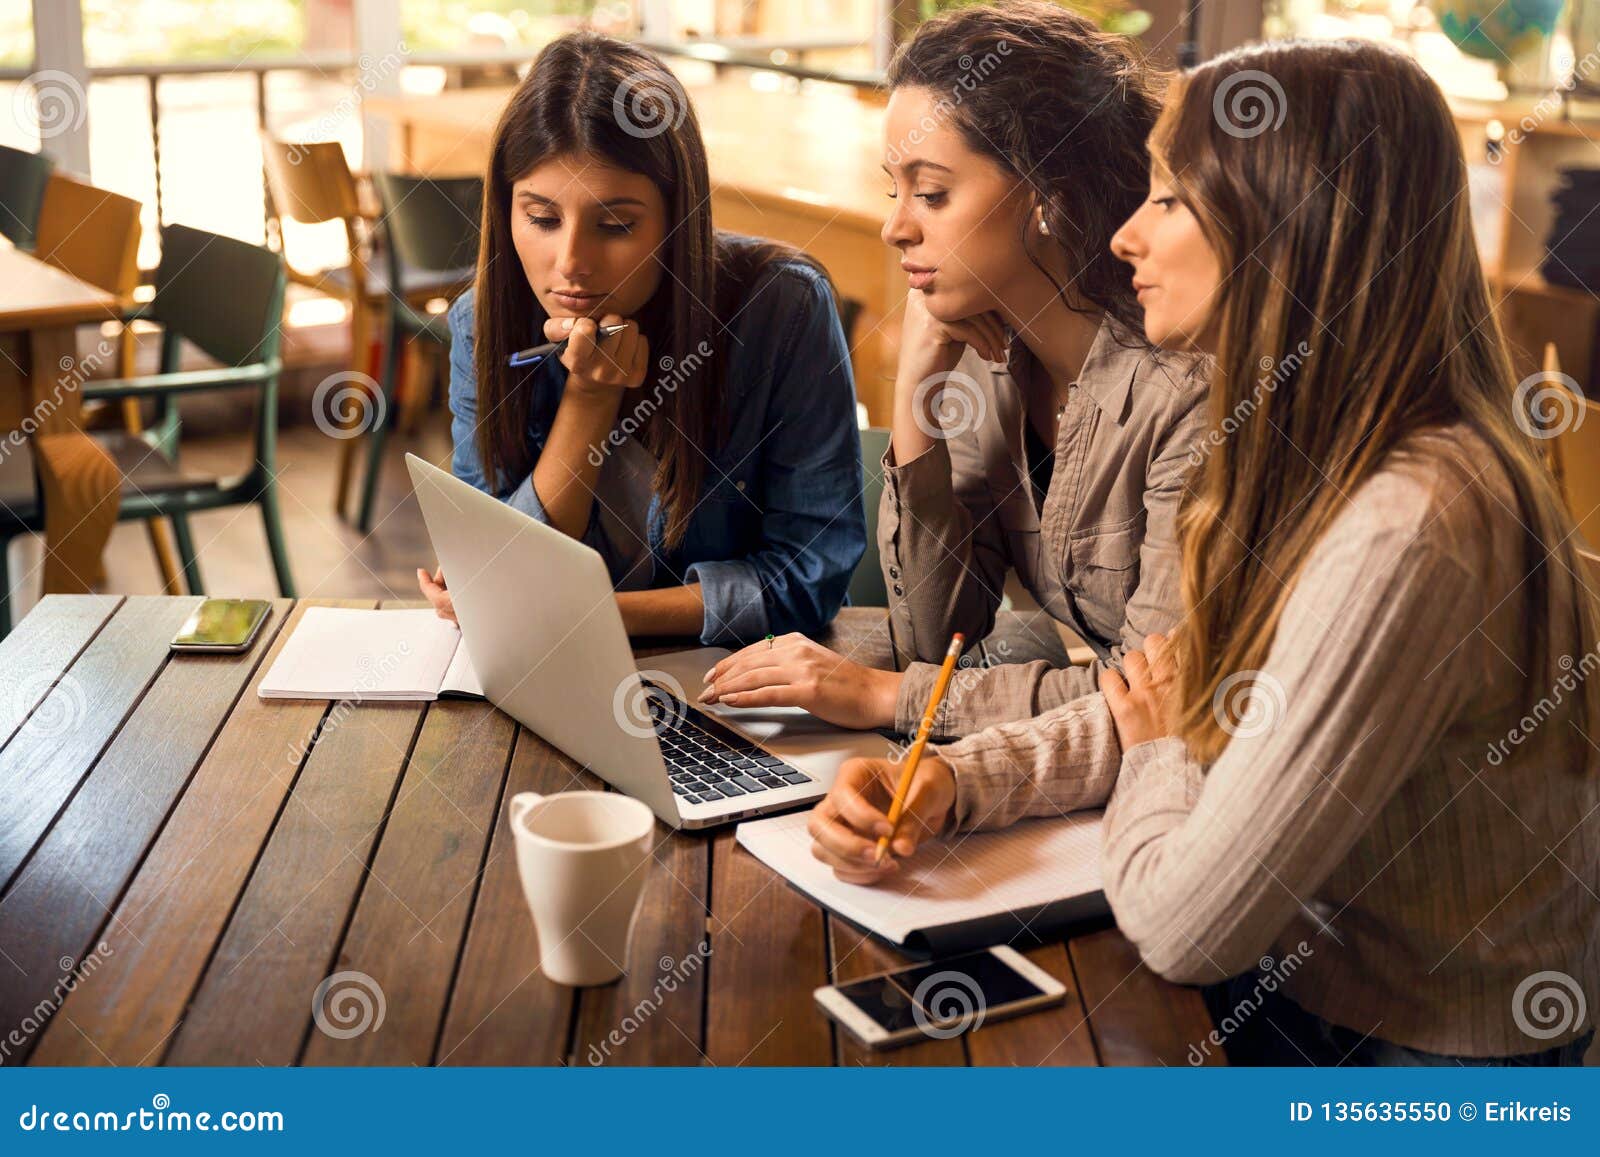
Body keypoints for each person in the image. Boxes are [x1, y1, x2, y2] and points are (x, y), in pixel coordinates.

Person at [807, 38, 1600, 1066]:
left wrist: (1152, 743)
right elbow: (1175, 697)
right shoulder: (1320, 448)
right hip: (1297, 991)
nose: (1125, 237)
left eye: (1169, 201)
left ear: (1288, 231)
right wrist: (962, 782)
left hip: (1400, 1056)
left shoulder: (1409, 525)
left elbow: (1185, 911)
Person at [698, 0, 1206, 760]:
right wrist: (916, 394)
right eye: (893, 190)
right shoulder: (981, 356)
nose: (895, 226)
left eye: (931, 194)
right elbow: (935, 635)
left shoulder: (1185, 394)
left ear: (1047, 196)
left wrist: (878, 695)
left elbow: (1154, 694)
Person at [419, 32, 866, 645]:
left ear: (677, 219)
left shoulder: (782, 308)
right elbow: (497, 573)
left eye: (616, 225)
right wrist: (589, 399)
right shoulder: (482, 321)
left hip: (725, 681)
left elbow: (810, 577)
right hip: (541, 675)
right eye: (542, 219)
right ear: (507, 210)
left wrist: (590, 615)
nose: (571, 261)